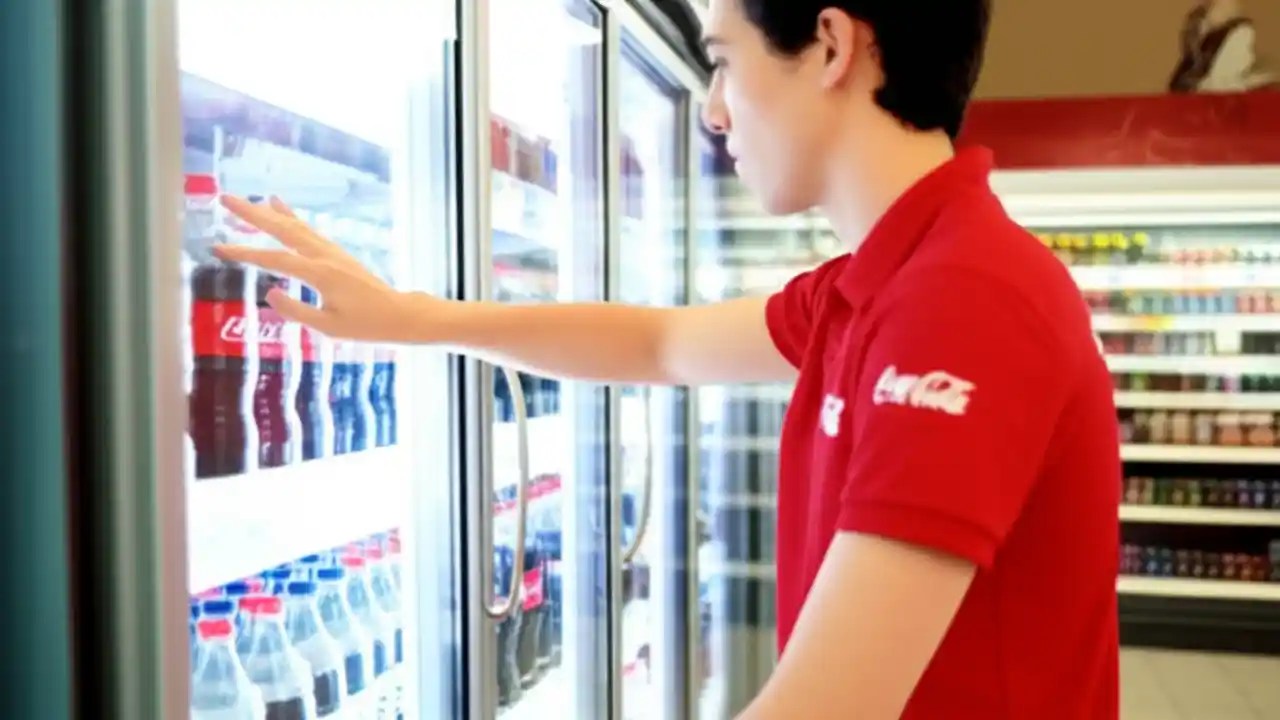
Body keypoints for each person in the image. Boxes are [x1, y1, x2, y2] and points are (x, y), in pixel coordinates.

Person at [216, 0, 1121, 717]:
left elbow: (825, 709)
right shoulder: (878, 286)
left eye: (723, 61)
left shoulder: (962, 302)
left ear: (833, 45)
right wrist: (414, 318)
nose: (716, 112)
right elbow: (660, 343)